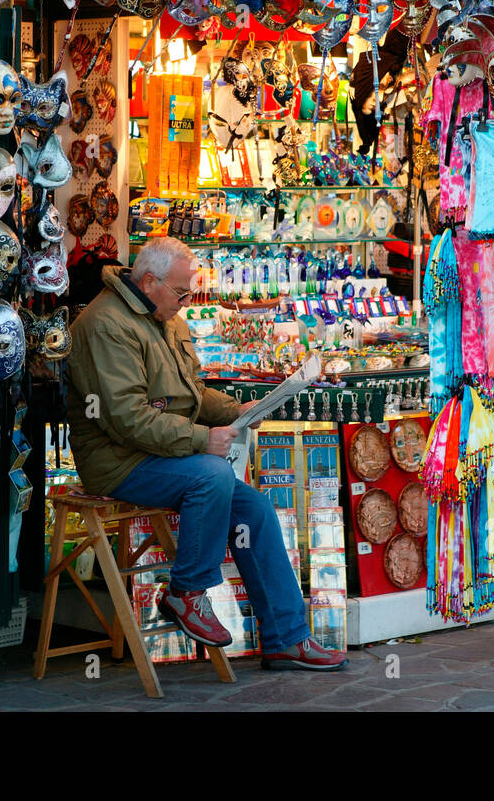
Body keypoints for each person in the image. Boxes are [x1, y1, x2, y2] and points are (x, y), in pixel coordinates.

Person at [66, 237, 348, 671]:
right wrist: (202, 440)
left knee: (254, 510)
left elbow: (192, 394)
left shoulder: (166, 316)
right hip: (117, 460)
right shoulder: (105, 324)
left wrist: (237, 411)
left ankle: (286, 638)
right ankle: (186, 592)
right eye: (181, 293)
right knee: (212, 474)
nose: (186, 302)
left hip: (163, 453)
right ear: (148, 281)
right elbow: (126, 419)